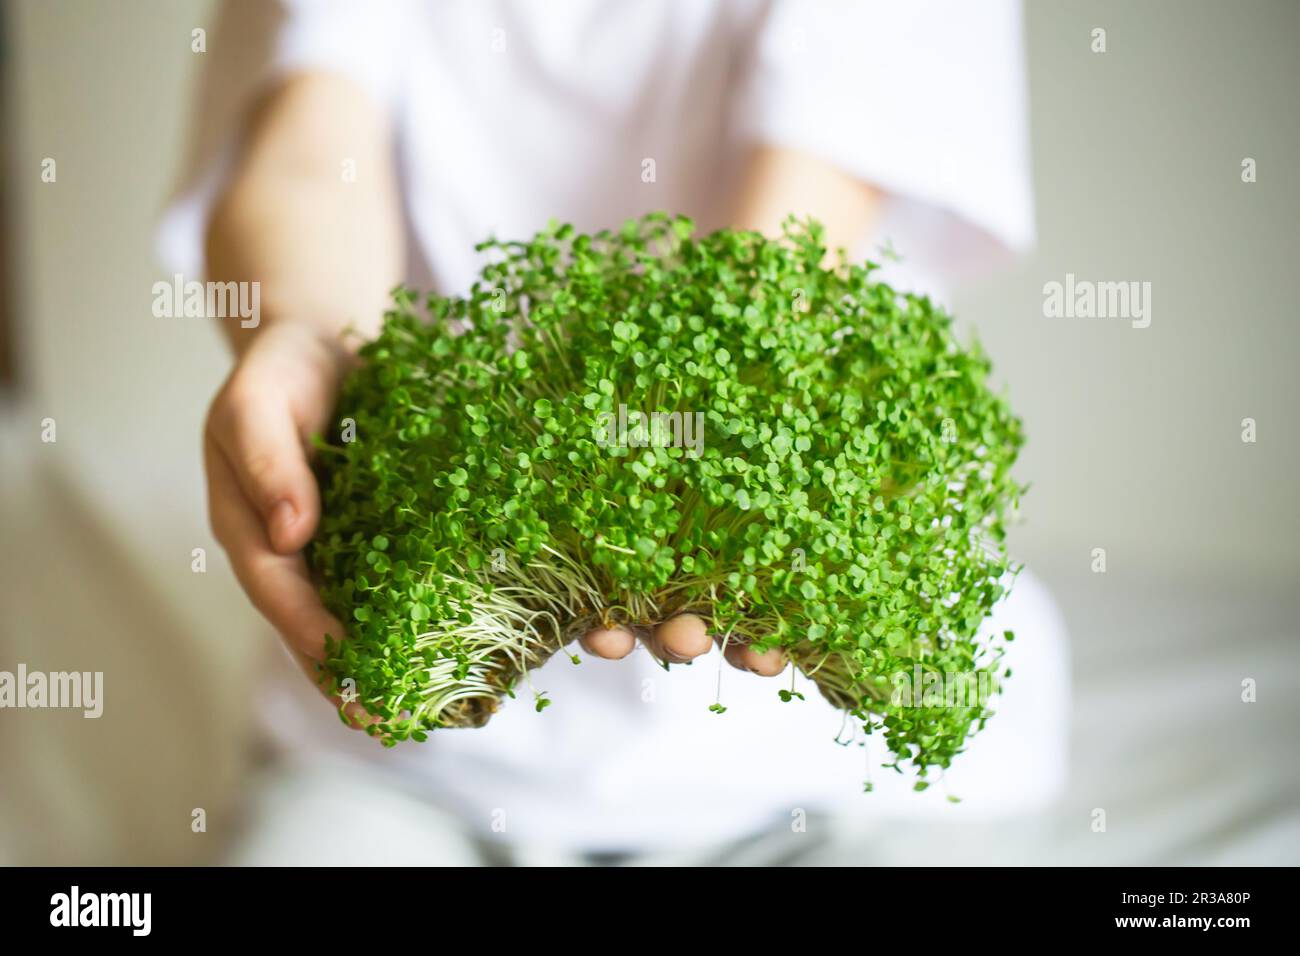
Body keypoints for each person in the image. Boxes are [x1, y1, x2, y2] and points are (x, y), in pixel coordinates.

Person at [158, 0, 1067, 864]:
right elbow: (309, 151)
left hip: (825, 781)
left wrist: (679, 511)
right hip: (404, 768)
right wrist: (312, 336)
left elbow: (779, 263)